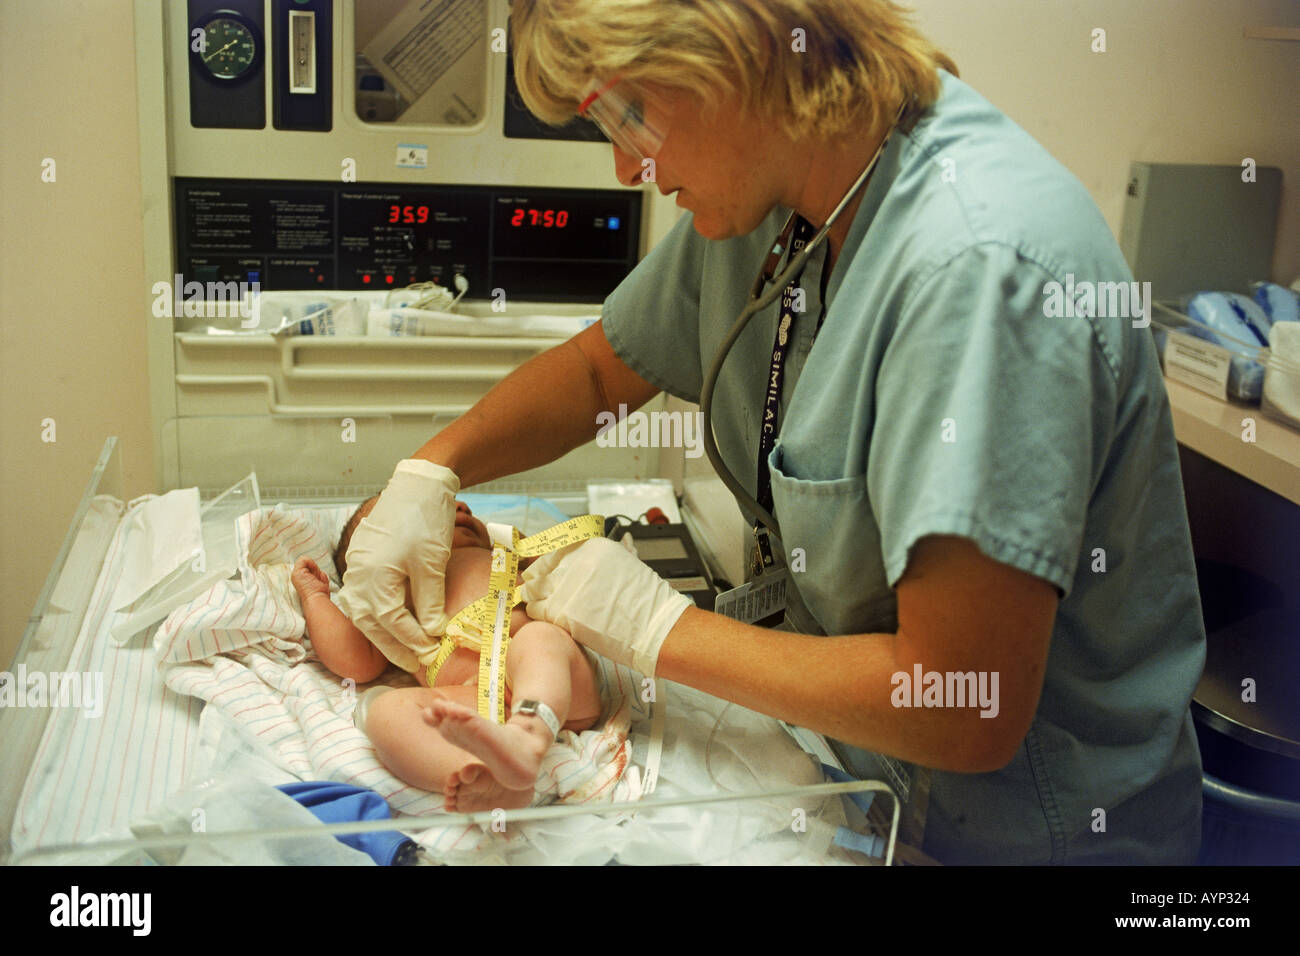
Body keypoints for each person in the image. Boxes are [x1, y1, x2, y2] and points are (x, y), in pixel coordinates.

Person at [338, 0, 1206, 864]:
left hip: (1013, 833)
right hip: (834, 768)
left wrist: (654, 630)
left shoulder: (980, 272)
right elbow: (604, 370)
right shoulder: (784, 193)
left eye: (629, 113)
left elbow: (961, 706)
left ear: (737, 53)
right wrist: (432, 468)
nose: (623, 166)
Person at [292, 497, 602, 813]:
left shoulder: (503, 554)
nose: (462, 507)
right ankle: (489, 776)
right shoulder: (391, 600)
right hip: (473, 705)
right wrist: (315, 597)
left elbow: (573, 575)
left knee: (539, 637)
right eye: (433, 508)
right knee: (384, 712)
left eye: (460, 504)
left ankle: (529, 735)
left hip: (556, 684)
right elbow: (354, 662)